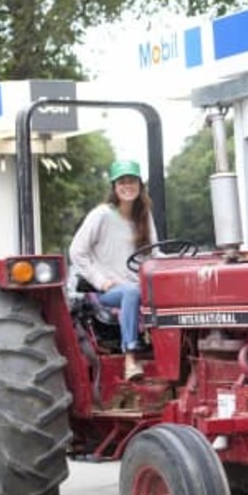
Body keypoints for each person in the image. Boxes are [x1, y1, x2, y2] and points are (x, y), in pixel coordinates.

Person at [69, 160, 158, 381]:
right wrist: (100, 281)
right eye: (122, 182)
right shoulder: (102, 215)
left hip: (137, 288)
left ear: (140, 185)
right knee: (131, 292)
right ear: (114, 187)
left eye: (132, 181)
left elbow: (153, 254)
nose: (128, 186)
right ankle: (130, 357)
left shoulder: (143, 216)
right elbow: (76, 251)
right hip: (106, 293)